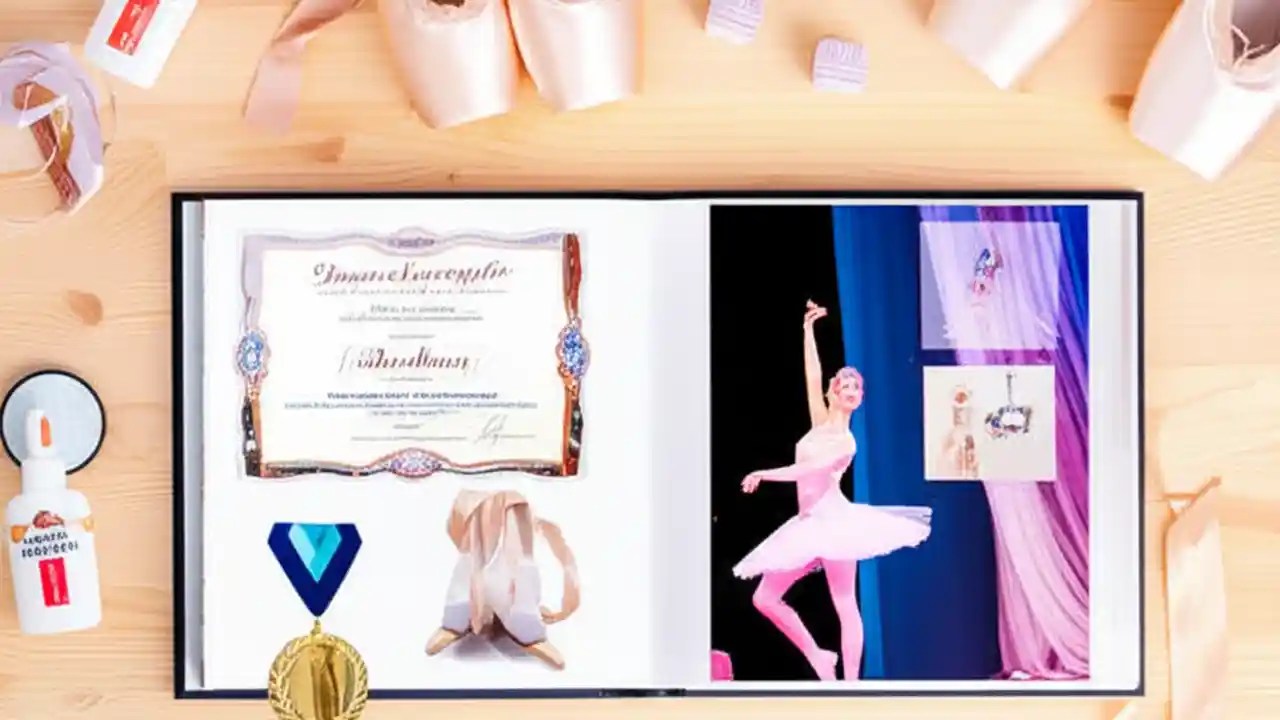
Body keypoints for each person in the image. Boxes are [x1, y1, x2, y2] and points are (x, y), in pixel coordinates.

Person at [733, 300, 933, 681]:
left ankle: (852, 683)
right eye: (845, 384)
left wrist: (764, 474)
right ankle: (819, 656)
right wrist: (808, 330)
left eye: (857, 387)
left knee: (844, 601)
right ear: (832, 392)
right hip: (807, 524)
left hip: (835, 521)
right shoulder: (820, 423)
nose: (851, 389)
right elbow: (812, 375)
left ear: (860, 398)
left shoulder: (846, 442)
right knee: (763, 598)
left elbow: (807, 469)